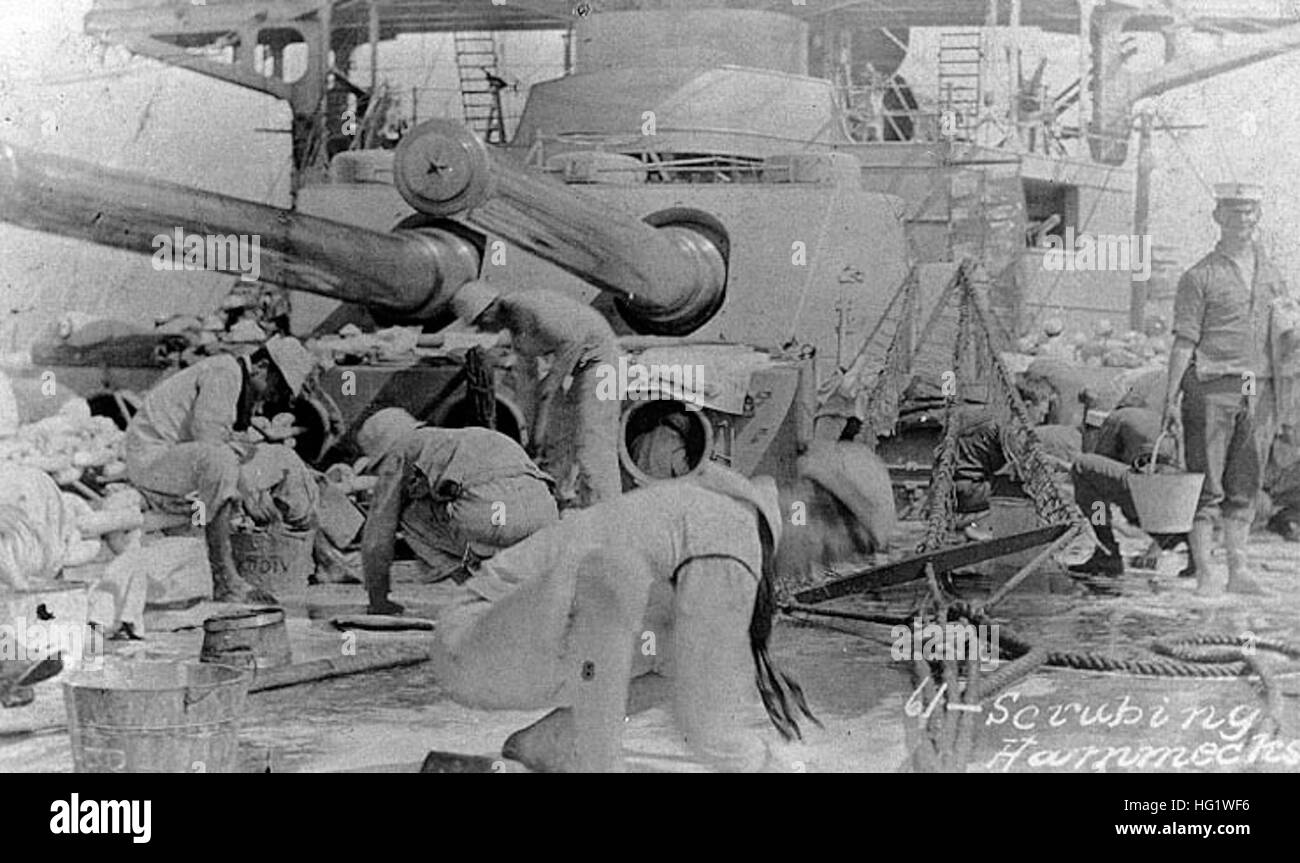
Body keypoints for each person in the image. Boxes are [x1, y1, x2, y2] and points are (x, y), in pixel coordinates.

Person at [424, 442, 896, 773]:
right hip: (474, 641)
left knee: (693, 651)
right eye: (827, 553)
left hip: (509, 648)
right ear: (808, 507)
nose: (814, 572)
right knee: (614, 575)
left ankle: (556, 743)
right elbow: (701, 722)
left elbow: (705, 684)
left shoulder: (732, 523)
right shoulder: (729, 535)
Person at [1162, 183, 1298, 597]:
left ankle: (1238, 568)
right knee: (1205, 483)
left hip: (1259, 391)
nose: (1244, 221)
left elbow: (1285, 332)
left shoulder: (1271, 274)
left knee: (1246, 485)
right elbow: (1184, 341)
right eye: (1235, 213)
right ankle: (1205, 571)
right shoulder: (1199, 276)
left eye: (1251, 213)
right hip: (1211, 388)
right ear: (1218, 216)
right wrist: (1170, 397)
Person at [124, 337, 317, 604]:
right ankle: (224, 576)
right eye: (278, 386)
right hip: (152, 460)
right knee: (220, 460)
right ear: (261, 366)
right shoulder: (225, 372)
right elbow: (209, 441)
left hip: (180, 458)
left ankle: (307, 553)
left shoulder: (239, 381)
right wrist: (248, 491)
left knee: (283, 457)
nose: (276, 396)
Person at [356, 408, 560, 615]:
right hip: (543, 512)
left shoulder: (400, 451)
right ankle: (530, 597)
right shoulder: (457, 437)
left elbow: (377, 537)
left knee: (407, 517)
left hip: (488, 516)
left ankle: (480, 589)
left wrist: (378, 598)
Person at [452, 281, 621, 508]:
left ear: (490, 309)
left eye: (480, 322)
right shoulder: (517, 333)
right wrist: (535, 436)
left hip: (601, 362)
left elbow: (550, 385)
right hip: (578, 365)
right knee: (560, 442)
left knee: (592, 442)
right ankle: (558, 502)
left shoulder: (531, 308)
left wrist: (536, 436)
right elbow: (532, 388)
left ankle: (607, 511)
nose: (481, 329)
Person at [1068, 405, 1182, 576]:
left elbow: (1099, 474)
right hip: (1180, 502)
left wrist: (1101, 518)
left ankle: (1106, 549)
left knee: (1083, 468)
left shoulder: (1118, 417)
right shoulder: (1157, 417)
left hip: (1149, 490)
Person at [949, 381, 1071, 532]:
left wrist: (1063, 466)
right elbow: (1025, 467)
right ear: (1027, 406)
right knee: (1028, 488)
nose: (1041, 420)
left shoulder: (1000, 417)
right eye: (1041, 414)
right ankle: (992, 530)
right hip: (966, 492)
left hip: (959, 486)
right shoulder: (1008, 428)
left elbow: (1030, 455)